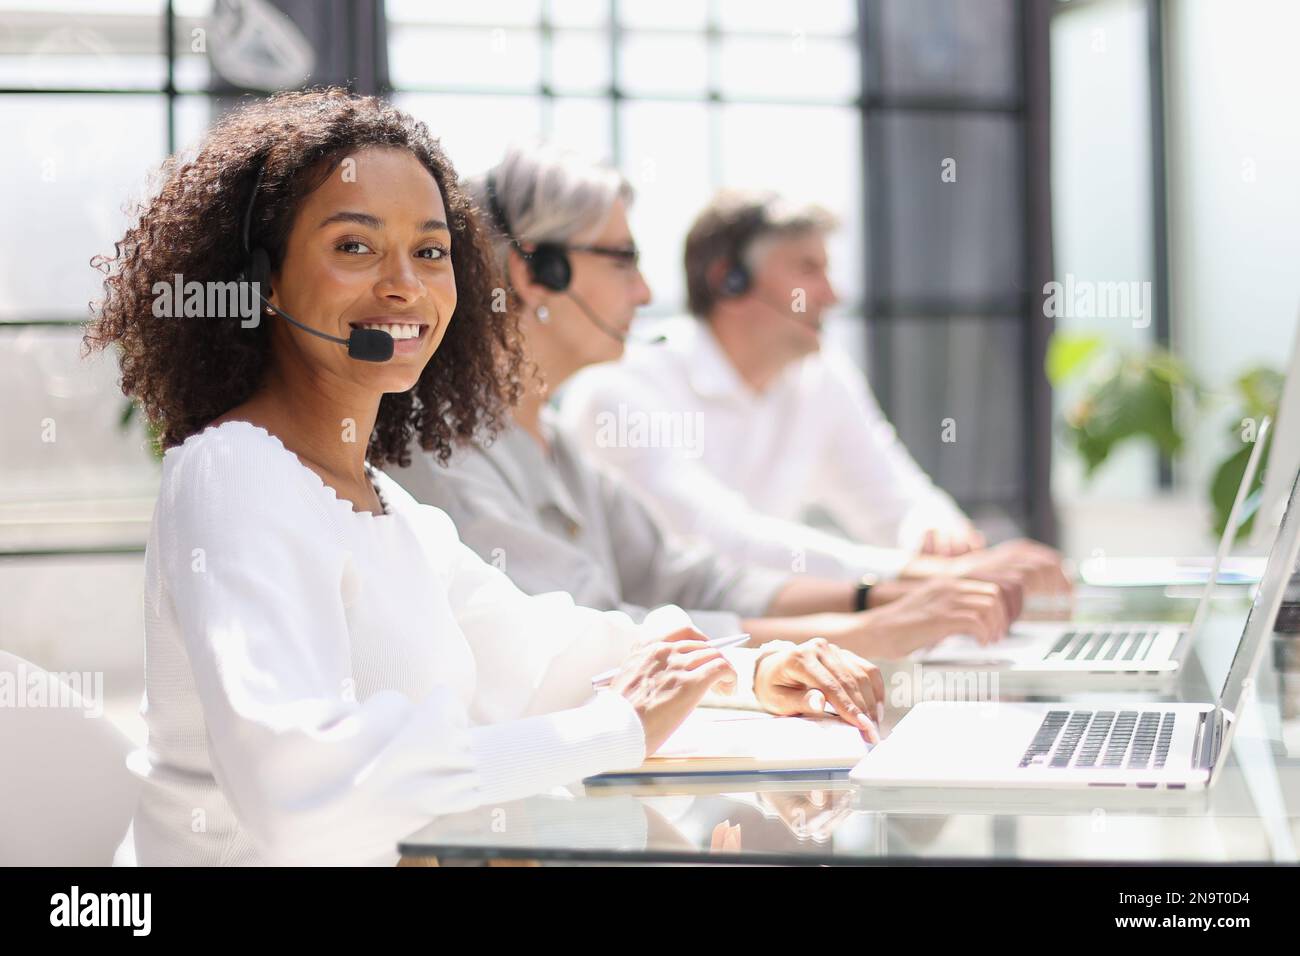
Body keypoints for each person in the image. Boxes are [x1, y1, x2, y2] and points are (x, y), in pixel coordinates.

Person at [85, 91, 881, 867]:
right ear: (262, 281)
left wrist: (738, 671)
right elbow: (310, 802)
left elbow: (542, 655)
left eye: (431, 252)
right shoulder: (237, 474)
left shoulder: (381, 505)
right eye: (355, 246)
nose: (405, 285)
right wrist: (614, 726)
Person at [390, 145, 1019, 662]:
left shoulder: (552, 442)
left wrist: (873, 599)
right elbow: (597, 636)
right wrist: (857, 634)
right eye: (622, 261)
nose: (646, 290)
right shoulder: (445, 454)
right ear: (537, 273)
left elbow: (687, 578)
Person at [559, 189, 1072, 595]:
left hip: (774, 649)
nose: (834, 295)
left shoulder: (819, 376)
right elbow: (721, 540)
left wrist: (939, 537)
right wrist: (918, 577)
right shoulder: (619, 390)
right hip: (656, 667)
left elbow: (892, 493)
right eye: (808, 269)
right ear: (730, 281)